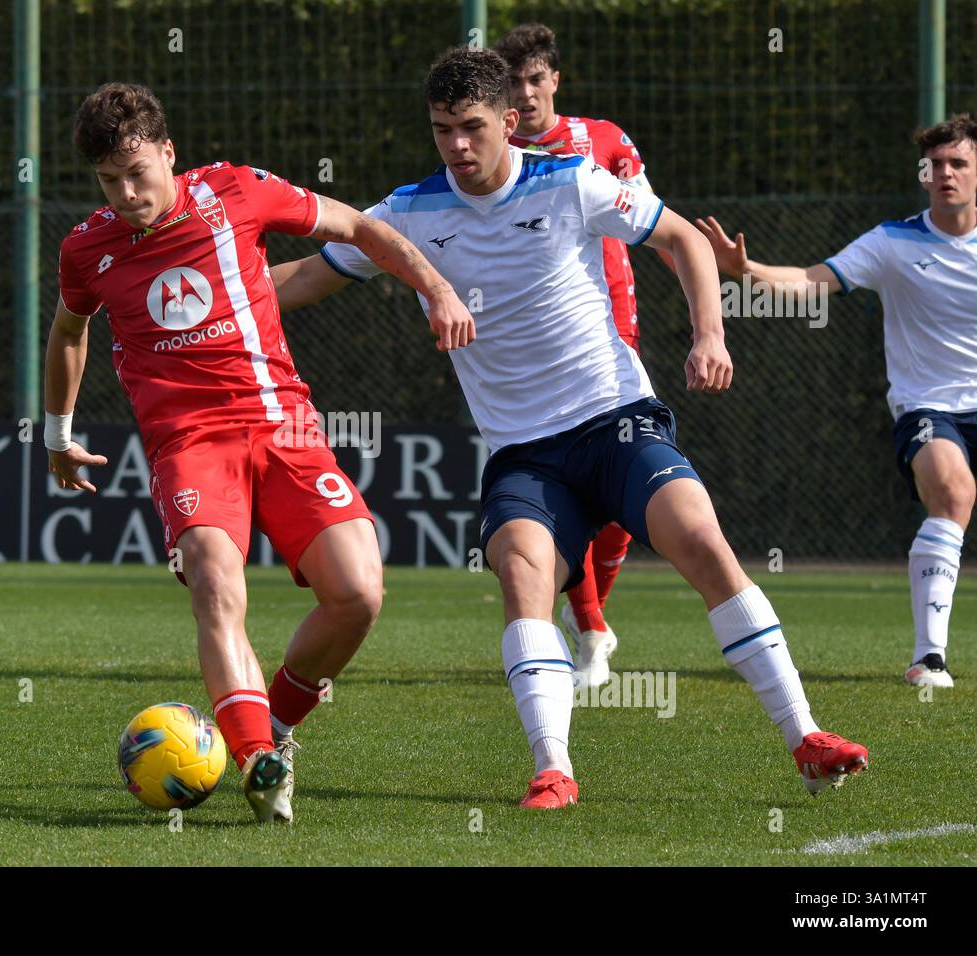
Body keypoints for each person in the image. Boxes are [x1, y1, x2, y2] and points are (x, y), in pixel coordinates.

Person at [271, 48, 868, 808]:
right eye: (442, 129)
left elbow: (681, 238)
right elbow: (309, 276)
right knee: (524, 576)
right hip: (525, 455)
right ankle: (552, 768)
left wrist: (709, 334)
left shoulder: (570, 182)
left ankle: (806, 737)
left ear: (510, 122)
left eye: (472, 127)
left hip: (614, 420)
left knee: (701, 539)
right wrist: (203, 304)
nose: (457, 145)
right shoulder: (407, 212)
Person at [47, 82, 475, 822]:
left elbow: (358, 228)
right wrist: (56, 432)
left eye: (138, 173)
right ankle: (254, 760)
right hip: (188, 446)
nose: (126, 193)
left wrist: (435, 286)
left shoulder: (236, 192)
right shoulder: (88, 248)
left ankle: (273, 725)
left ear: (168, 153)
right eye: (109, 181)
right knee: (217, 583)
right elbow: (68, 333)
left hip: (285, 426)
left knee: (359, 593)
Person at [697, 113, 977, 689]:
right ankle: (930, 659)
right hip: (931, 409)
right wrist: (744, 269)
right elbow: (808, 280)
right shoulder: (892, 242)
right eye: (936, 165)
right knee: (952, 490)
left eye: (959, 164)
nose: (946, 174)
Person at [494, 23, 679, 686]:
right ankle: (593, 630)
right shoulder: (489, 154)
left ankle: (590, 621)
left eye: (535, 79)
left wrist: (708, 302)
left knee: (624, 500)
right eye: (513, 82)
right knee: (563, 491)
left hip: (613, 328)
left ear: (554, 81)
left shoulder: (604, 141)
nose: (526, 92)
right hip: (528, 344)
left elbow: (657, 220)